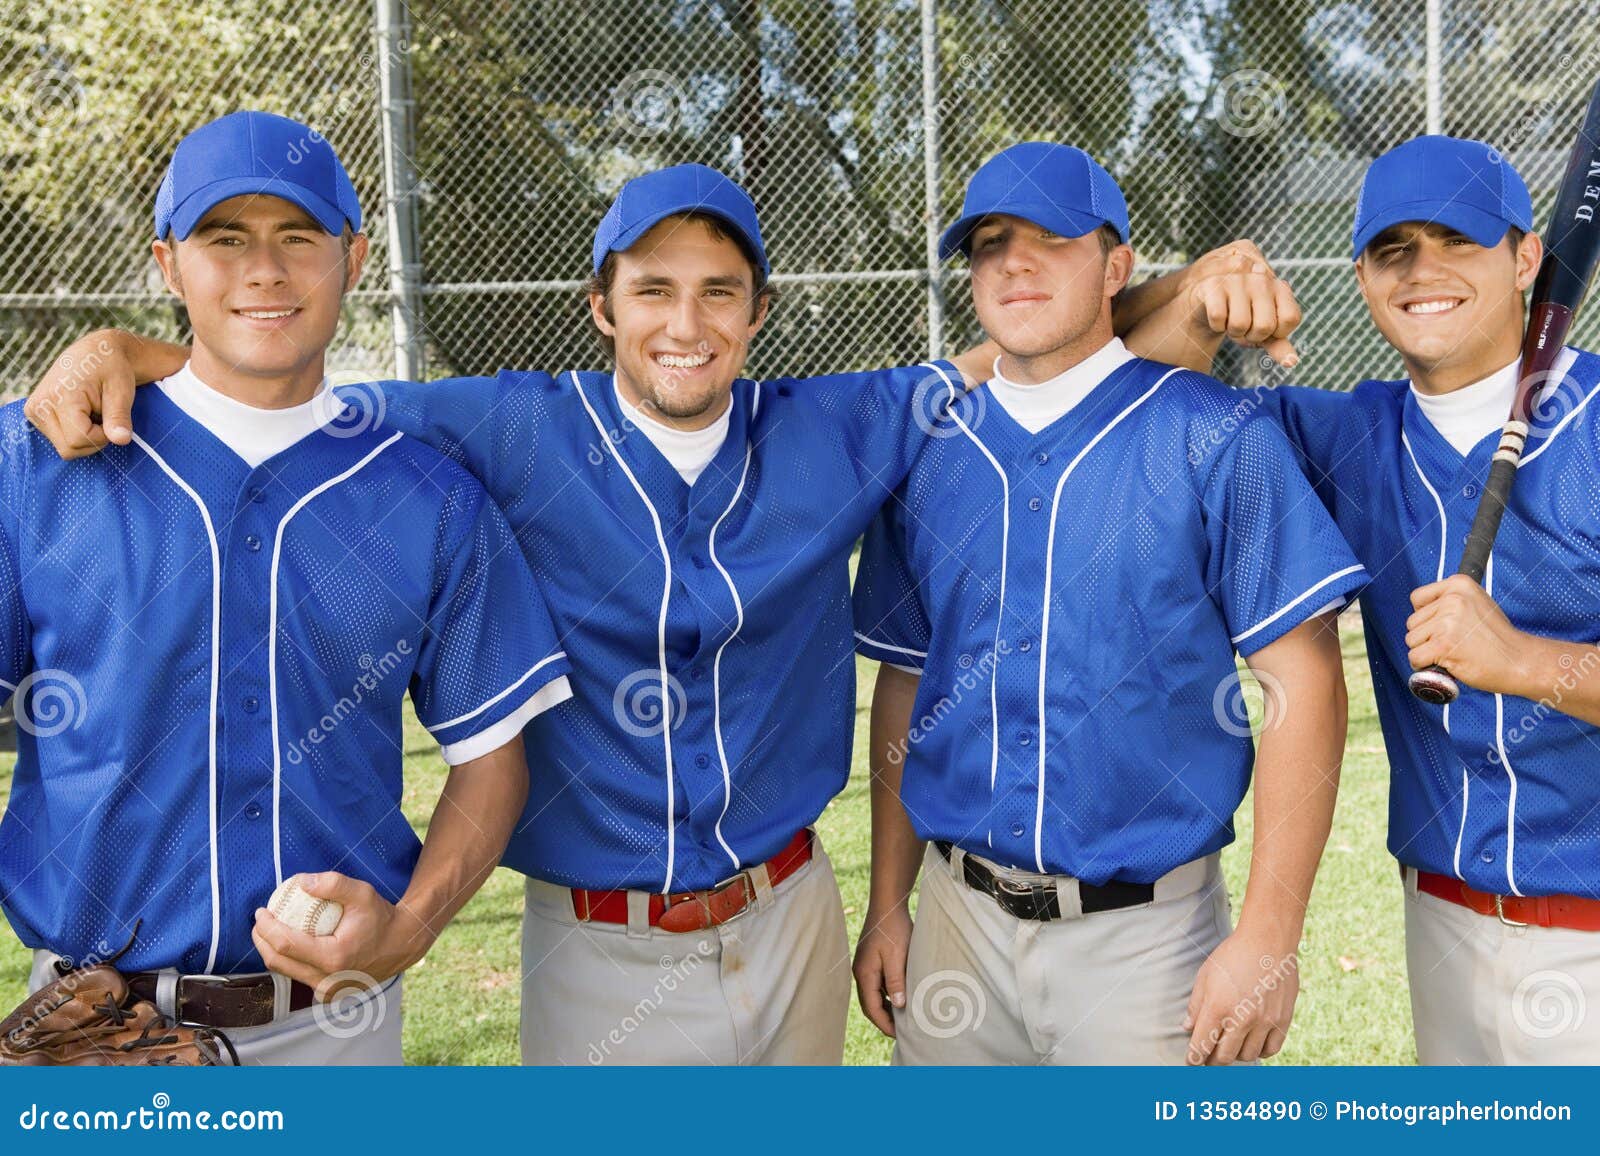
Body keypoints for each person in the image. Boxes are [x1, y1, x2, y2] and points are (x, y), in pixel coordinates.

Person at [23, 146, 1296, 1065]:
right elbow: (271, 392)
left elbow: (1035, 362)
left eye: (719, 291)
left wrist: (1183, 297)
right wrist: (123, 351)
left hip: (792, 916)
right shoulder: (507, 428)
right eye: (650, 289)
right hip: (597, 945)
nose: (684, 323)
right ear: (601, 307)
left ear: (756, 315)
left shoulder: (837, 428)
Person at [0, 111, 572, 1064]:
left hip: (328, 1028)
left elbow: (491, 757)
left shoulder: (426, 497)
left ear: (351, 257)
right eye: (225, 239)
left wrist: (413, 926)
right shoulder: (43, 460)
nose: (264, 270)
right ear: (167, 264)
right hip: (86, 1026)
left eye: (297, 237)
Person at [848, 141, 1366, 1065]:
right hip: (955, 925)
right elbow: (903, 687)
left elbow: (1305, 685)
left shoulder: (1214, 433)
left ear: (1117, 267)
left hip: (1147, 945)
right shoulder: (929, 453)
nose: (1015, 261)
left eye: (1051, 237)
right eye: (990, 242)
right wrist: (891, 906)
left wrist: (1269, 937)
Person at [1140, 134, 1600, 1064]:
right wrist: (1194, 293)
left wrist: (1522, 664)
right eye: (1394, 250)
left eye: (1456, 240)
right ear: (1360, 276)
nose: (1421, 271)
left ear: (1525, 260)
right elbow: (1125, 387)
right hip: (1441, 927)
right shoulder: (1344, 434)